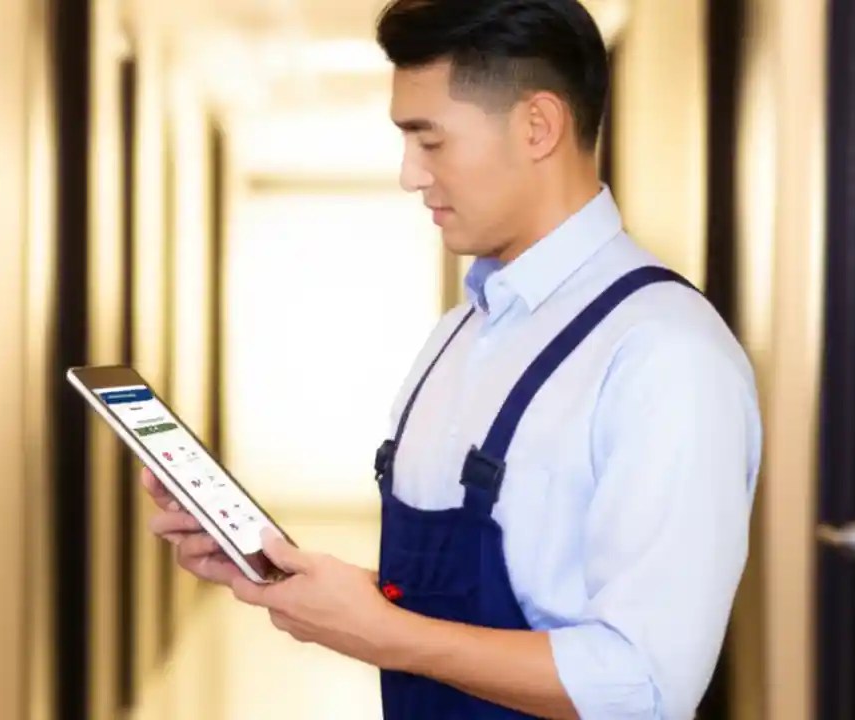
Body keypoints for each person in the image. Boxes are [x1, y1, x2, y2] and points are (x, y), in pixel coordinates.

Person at [140, 0, 762, 717]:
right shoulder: (458, 335)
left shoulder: (665, 354)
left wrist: (387, 636)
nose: (410, 174)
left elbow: (642, 686)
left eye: (429, 141)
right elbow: (459, 609)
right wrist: (297, 579)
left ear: (538, 126)